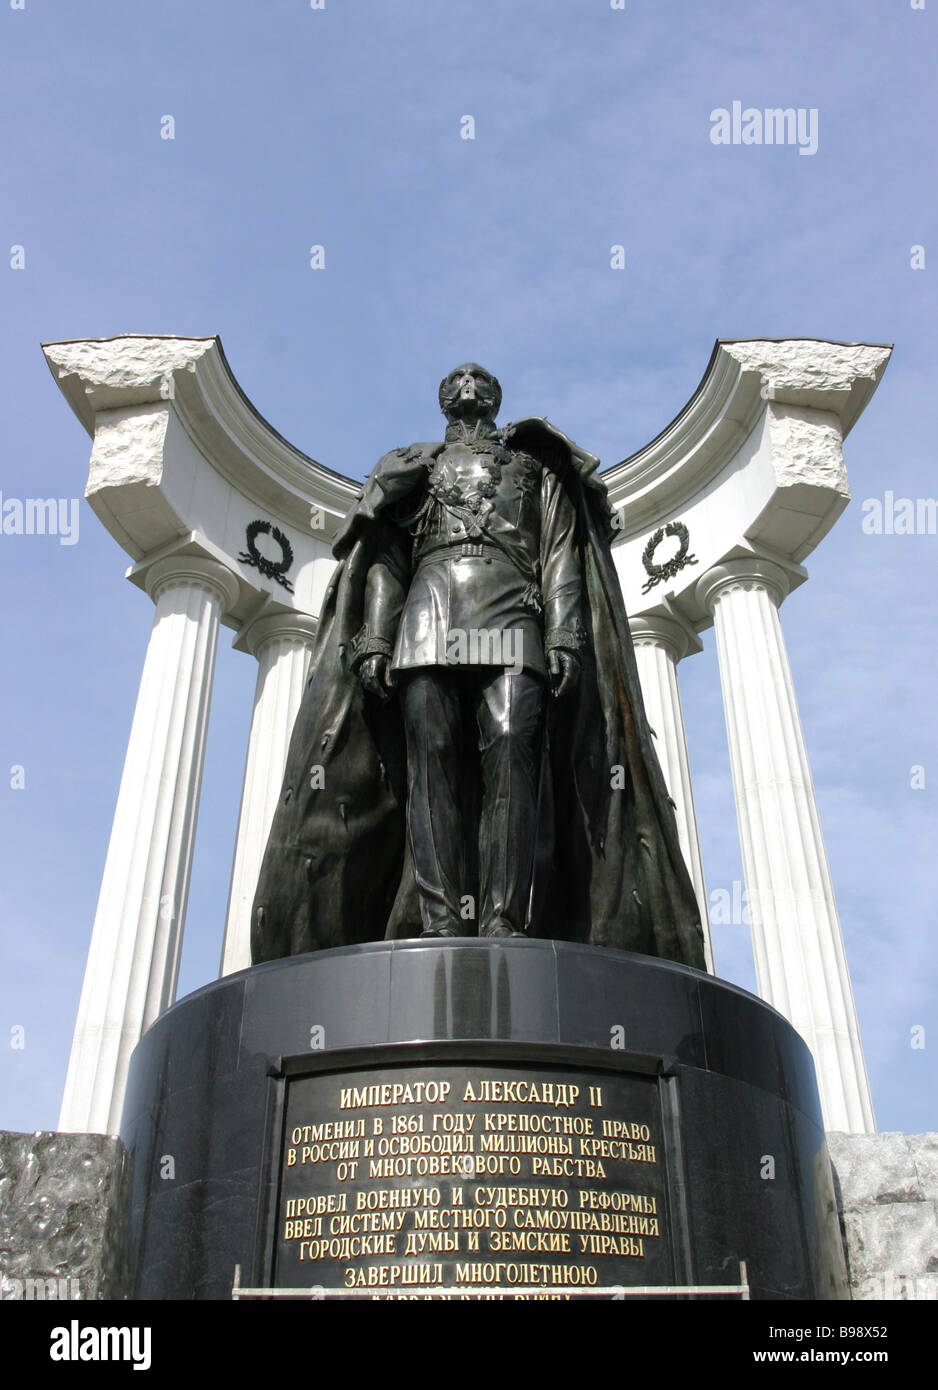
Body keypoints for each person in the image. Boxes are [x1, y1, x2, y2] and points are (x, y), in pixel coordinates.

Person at [251, 364, 705, 970]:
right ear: (443, 401)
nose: (467, 380)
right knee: (431, 760)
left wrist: (566, 633)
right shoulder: (412, 466)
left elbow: (559, 556)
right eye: (456, 378)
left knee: (515, 747)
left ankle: (505, 918)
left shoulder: (538, 471)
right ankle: (440, 919)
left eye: (479, 378)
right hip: (430, 614)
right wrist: (376, 638)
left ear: (496, 398)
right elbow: (386, 556)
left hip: (515, 611)